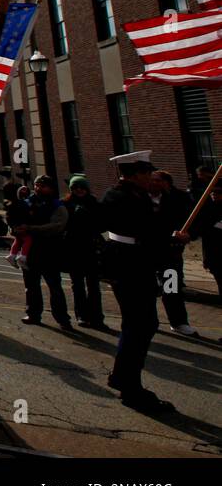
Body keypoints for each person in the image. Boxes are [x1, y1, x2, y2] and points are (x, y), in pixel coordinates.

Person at [101, 151, 174, 413]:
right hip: (132, 266)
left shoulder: (120, 193)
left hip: (128, 263)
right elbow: (147, 232)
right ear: (136, 174)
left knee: (138, 324)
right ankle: (130, 386)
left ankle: (123, 377)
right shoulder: (127, 198)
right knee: (141, 324)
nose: (151, 179)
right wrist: (174, 239)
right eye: (147, 174)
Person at [18, 175, 73, 330]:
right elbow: (15, 218)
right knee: (31, 285)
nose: (38, 188)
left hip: (50, 250)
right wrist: (16, 228)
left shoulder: (57, 206)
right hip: (30, 251)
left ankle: (62, 318)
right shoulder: (27, 203)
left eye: (43, 186)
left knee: (54, 286)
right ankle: (33, 313)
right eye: (36, 185)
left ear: (51, 188)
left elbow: (57, 226)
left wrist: (31, 229)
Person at [148, 169, 197, 336]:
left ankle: (178, 321)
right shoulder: (138, 199)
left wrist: (186, 235)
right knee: (147, 290)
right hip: (146, 253)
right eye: (151, 180)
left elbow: (189, 220)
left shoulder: (177, 199)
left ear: (165, 183)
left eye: (157, 180)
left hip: (169, 254)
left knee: (171, 287)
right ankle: (149, 321)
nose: (153, 183)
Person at [62, 175, 107, 330]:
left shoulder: (94, 203)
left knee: (94, 285)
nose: (79, 190)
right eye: (75, 188)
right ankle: (81, 315)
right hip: (73, 248)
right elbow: (63, 225)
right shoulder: (66, 204)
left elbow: (102, 224)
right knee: (78, 285)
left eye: (82, 187)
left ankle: (97, 317)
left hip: (91, 248)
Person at [182, 181, 222, 298]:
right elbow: (201, 229)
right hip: (214, 255)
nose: (215, 194)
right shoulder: (207, 210)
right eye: (212, 192)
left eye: (219, 192)